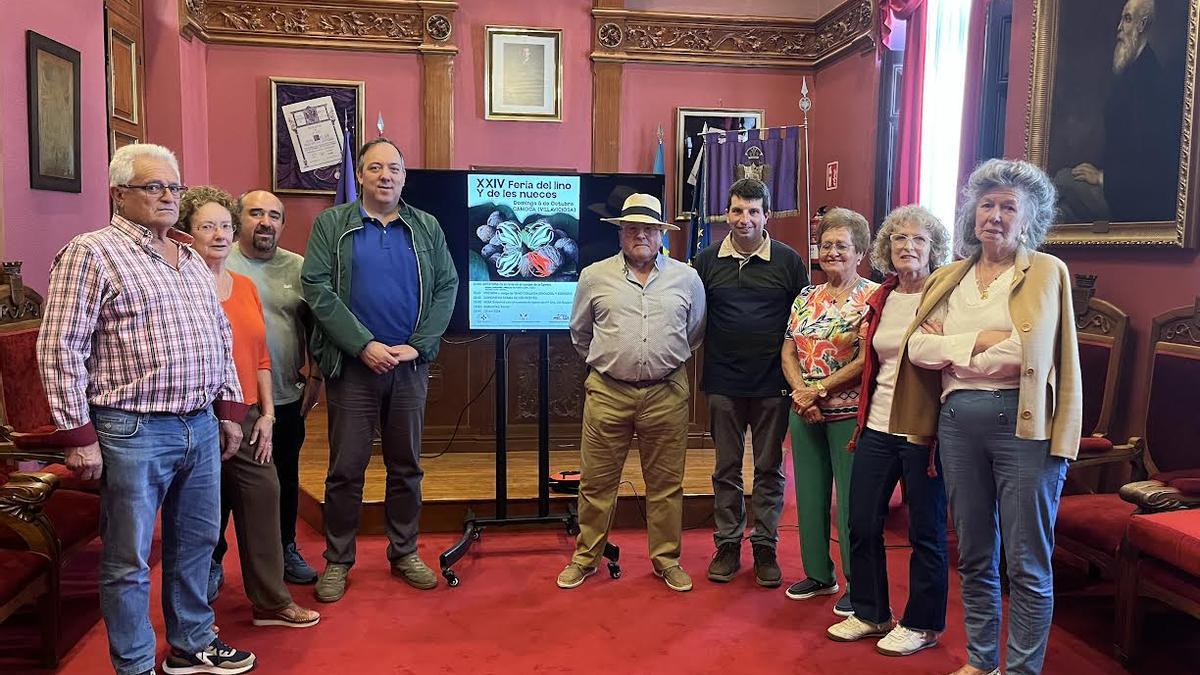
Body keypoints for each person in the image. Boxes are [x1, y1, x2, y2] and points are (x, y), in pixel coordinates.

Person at [36, 143, 257, 675]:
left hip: (200, 425)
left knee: (198, 542)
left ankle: (190, 644)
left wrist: (228, 412)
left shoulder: (190, 256)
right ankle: (134, 664)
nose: (166, 197)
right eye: (153, 187)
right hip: (131, 428)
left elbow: (219, 337)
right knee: (129, 559)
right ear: (119, 194)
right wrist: (78, 435)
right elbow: (58, 345)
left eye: (173, 188)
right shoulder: (93, 252)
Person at [896, 159, 1082, 675]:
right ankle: (982, 662)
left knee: (1025, 562)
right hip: (956, 425)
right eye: (986, 205)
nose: (994, 216)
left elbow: (1035, 352)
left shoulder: (1047, 272)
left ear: (1028, 218)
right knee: (974, 554)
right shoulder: (951, 276)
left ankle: (1022, 669)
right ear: (971, 214)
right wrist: (978, 342)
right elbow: (916, 348)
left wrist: (955, 351)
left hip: (1025, 429)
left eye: (1007, 207)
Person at [301, 138, 458, 602]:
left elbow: (447, 285)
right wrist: (362, 344)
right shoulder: (333, 224)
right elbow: (316, 286)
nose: (385, 176)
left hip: (408, 370)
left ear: (404, 177)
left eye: (393, 168)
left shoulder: (426, 226)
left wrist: (420, 346)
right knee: (345, 470)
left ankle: (404, 552)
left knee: (406, 467)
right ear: (361, 176)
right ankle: (337, 560)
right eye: (375, 168)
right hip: (352, 369)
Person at [176, 186, 320, 630]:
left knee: (267, 497)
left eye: (223, 226)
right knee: (201, 514)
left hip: (252, 413)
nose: (219, 235)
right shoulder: (179, 281)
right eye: (208, 226)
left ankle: (271, 601)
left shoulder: (243, 285)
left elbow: (259, 355)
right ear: (187, 234)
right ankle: (194, 612)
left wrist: (269, 415)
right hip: (199, 415)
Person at [557, 193, 706, 592]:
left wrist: (659, 360)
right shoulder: (594, 276)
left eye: (649, 229)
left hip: (667, 393)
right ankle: (586, 557)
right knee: (596, 482)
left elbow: (694, 332)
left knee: (666, 484)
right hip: (608, 391)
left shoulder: (686, 278)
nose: (641, 235)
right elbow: (580, 333)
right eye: (632, 228)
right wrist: (616, 364)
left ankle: (666, 560)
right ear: (620, 233)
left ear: (661, 234)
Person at [825, 205, 951, 656]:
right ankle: (871, 611)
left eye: (918, 239)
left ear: (934, 247)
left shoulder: (944, 296)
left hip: (923, 431)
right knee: (860, 521)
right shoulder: (883, 295)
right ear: (885, 248)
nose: (907, 247)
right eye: (899, 239)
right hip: (875, 425)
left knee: (926, 531)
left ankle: (923, 623)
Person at [691, 178, 808, 587]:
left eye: (753, 211)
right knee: (725, 468)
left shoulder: (790, 262)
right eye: (737, 211)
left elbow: (802, 324)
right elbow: (693, 319)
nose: (744, 219)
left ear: (766, 215)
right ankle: (726, 544)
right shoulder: (704, 262)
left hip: (771, 384)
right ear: (726, 214)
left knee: (768, 468)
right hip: (723, 382)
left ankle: (765, 546)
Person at [781, 207, 879, 617]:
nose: (832, 252)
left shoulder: (874, 296)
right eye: (826, 245)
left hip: (849, 414)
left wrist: (819, 389)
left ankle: (860, 584)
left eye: (842, 245)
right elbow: (788, 347)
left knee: (853, 502)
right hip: (804, 412)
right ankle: (820, 575)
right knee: (809, 494)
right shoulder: (807, 295)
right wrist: (801, 393)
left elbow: (866, 357)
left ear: (861, 252)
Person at [224, 189, 322, 586]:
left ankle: (286, 549)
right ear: (238, 219)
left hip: (283, 396)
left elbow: (316, 328)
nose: (266, 222)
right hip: (227, 402)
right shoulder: (215, 261)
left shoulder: (298, 267)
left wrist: (315, 377)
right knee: (221, 488)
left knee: (283, 477)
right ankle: (214, 559)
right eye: (256, 213)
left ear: (283, 224)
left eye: (275, 216)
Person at [1055, 0, 1182, 223]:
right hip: (1121, 189)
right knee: (1063, 211)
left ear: (1142, 26)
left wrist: (1103, 177)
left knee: (1062, 180)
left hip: (1134, 198)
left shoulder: (1150, 81)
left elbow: (1154, 160)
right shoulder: (1133, 72)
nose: (1119, 27)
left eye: (1127, 19)